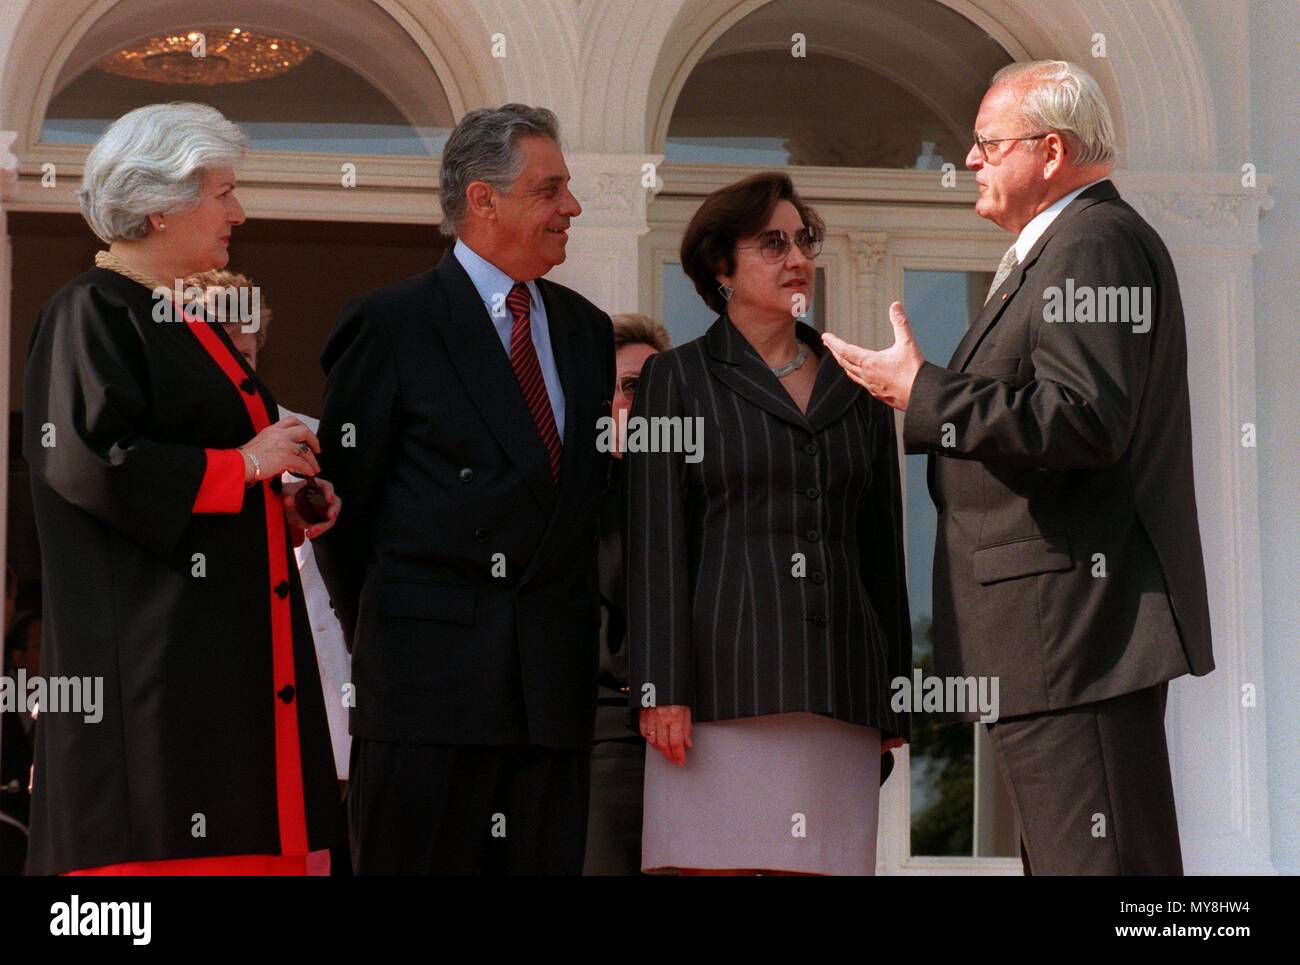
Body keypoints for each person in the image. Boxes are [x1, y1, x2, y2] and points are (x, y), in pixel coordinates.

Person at [823, 60, 1214, 875]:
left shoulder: (1094, 242)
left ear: (1050, 151)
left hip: (1076, 633)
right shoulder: (1067, 247)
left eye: (987, 144)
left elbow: (1084, 419)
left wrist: (924, 392)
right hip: (1053, 639)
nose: (969, 160)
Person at [22, 102, 343, 875]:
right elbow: (87, 462)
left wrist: (285, 509)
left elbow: (203, 482)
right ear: (160, 206)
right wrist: (247, 467)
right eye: (222, 191)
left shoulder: (179, 318)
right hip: (153, 706)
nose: (239, 210)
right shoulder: (89, 310)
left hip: (222, 691)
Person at [315, 103, 615, 875]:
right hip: (425, 697)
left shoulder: (586, 331)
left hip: (550, 703)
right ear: (484, 200)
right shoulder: (391, 324)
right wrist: (389, 636)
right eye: (551, 190)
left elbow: (582, 516)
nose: (570, 207)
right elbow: (340, 518)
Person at [627, 172, 910, 875]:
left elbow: (883, 550)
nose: (797, 259)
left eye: (803, 241)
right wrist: (661, 685)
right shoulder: (677, 379)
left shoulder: (862, 382)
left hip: (841, 685)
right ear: (721, 267)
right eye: (773, 243)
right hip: (718, 690)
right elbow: (657, 539)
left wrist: (895, 697)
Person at [189, 268, 354, 876]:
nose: (235, 362)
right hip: (195, 718)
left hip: (308, 714)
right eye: (218, 343)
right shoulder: (158, 449)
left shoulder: (306, 438)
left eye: (246, 348)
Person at [582, 313, 670, 876]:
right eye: (617, 387)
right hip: (606, 738)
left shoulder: (698, 492)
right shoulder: (568, 497)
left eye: (646, 388)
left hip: (702, 743)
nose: (629, 402)